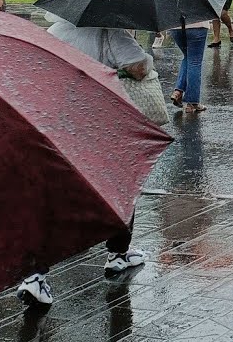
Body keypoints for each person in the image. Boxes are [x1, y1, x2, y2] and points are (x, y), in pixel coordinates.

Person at [17, 20, 154, 306]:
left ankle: (35, 275)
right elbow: (139, 67)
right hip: (102, 124)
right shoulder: (110, 32)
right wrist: (140, 52)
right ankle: (118, 254)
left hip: (60, 124)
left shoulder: (54, 32)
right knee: (121, 186)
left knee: (54, 198)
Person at [168, 20, 210, 113]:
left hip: (175, 26)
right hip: (197, 25)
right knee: (194, 61)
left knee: (188, 57)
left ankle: (178, 91)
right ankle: (192, 101)